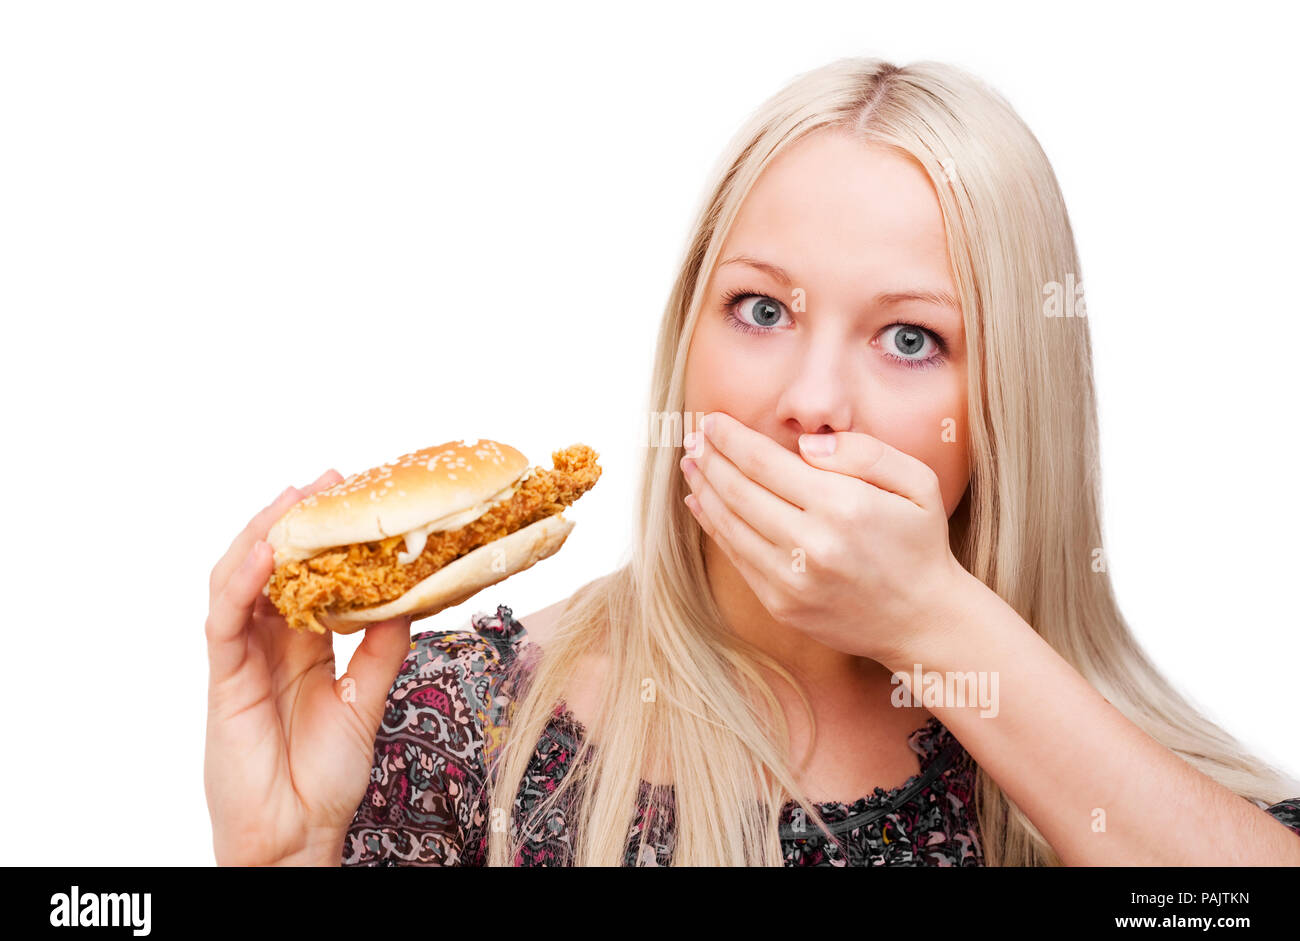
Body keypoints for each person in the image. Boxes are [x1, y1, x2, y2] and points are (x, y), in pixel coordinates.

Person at [205, 56, 1300, 866]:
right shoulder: (447, 723)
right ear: (688, 336)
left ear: (1012, 397)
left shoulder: (1169, 800)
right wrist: (283, 858)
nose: (809, 400)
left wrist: (932, 619)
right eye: (761, 308)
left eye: (910, 337)